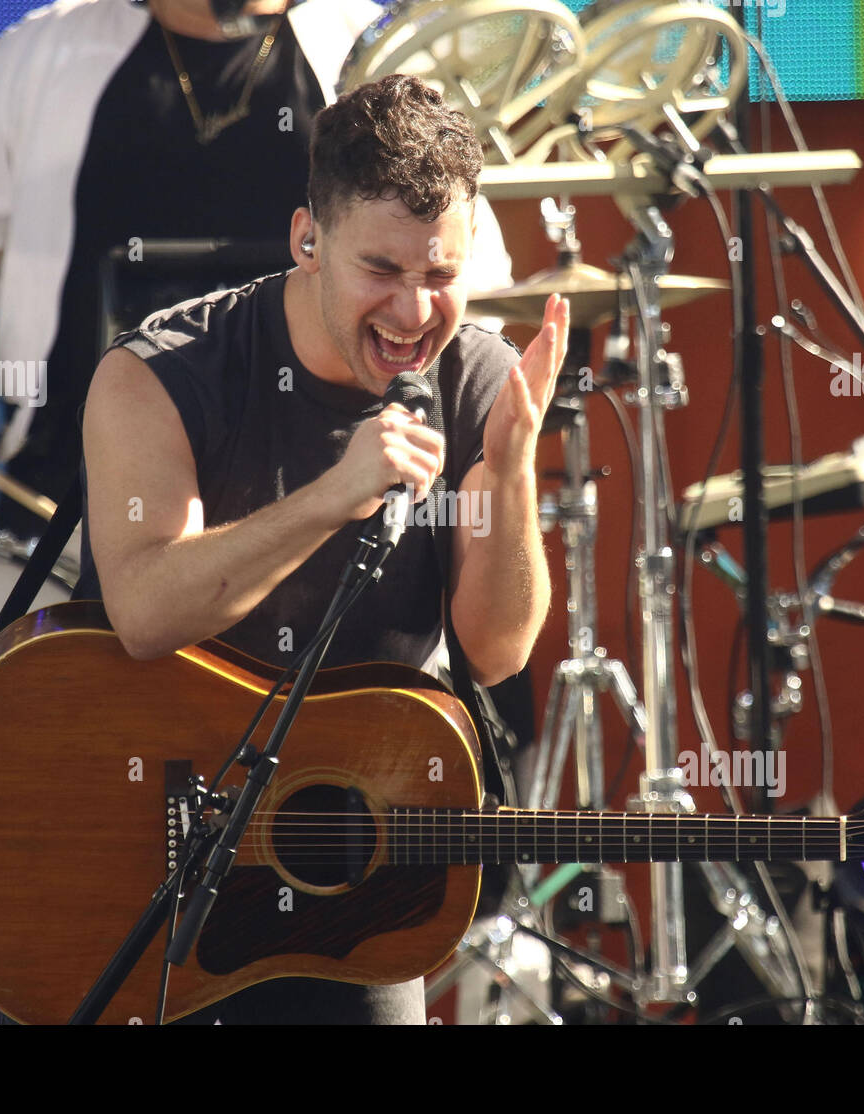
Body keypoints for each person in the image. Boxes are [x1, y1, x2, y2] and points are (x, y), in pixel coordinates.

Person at [74, 73, 566, 1023]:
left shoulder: (476, 381)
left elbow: (497, 650)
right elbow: (141, 614)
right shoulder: (161, 372)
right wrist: (332, 498)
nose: (416, 313)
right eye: (382, 271)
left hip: (350, 874)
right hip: (133, 861)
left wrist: (507, 470)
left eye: (441, 276)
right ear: (308, 238)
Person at [0, 0, 511, 541]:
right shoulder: (46, 50)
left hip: (326, 481)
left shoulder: (371, 50)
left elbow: (460, 258)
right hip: (69, 483)